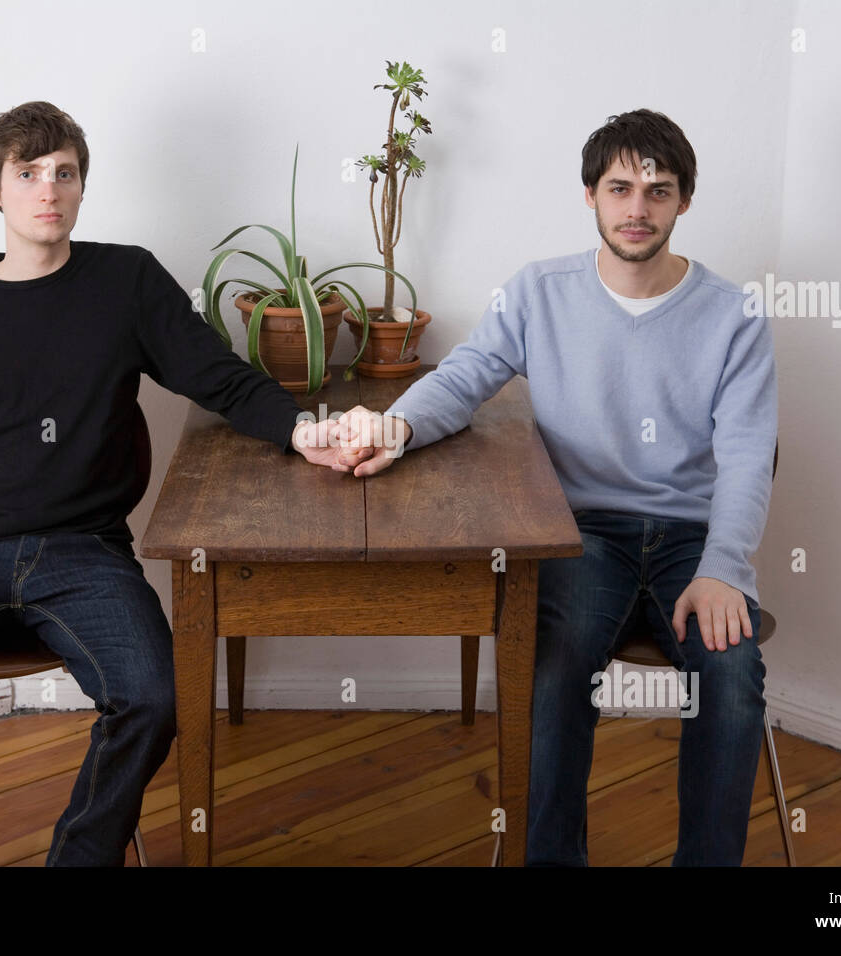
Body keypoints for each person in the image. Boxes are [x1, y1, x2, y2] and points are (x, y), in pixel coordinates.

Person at [0, 101, 346, 866]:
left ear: (82, 187)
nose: (48, 189)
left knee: (156, 698)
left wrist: (300, 429)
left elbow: (215, 377)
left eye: (64, 173)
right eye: (27, 175)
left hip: (86, 556)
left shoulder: (126, 280)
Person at [330, 109, 779, 866]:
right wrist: (395, 429)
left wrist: (724, 568)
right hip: (580, 534)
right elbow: (466, 376)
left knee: (732, 679)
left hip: (694, 540)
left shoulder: (734, 316)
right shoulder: (539, 291)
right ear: (590, 196)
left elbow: (746, 457)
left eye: (659, 191)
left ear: (684, 204)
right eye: (620, 188)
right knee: (554, 664)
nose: (638, 208)